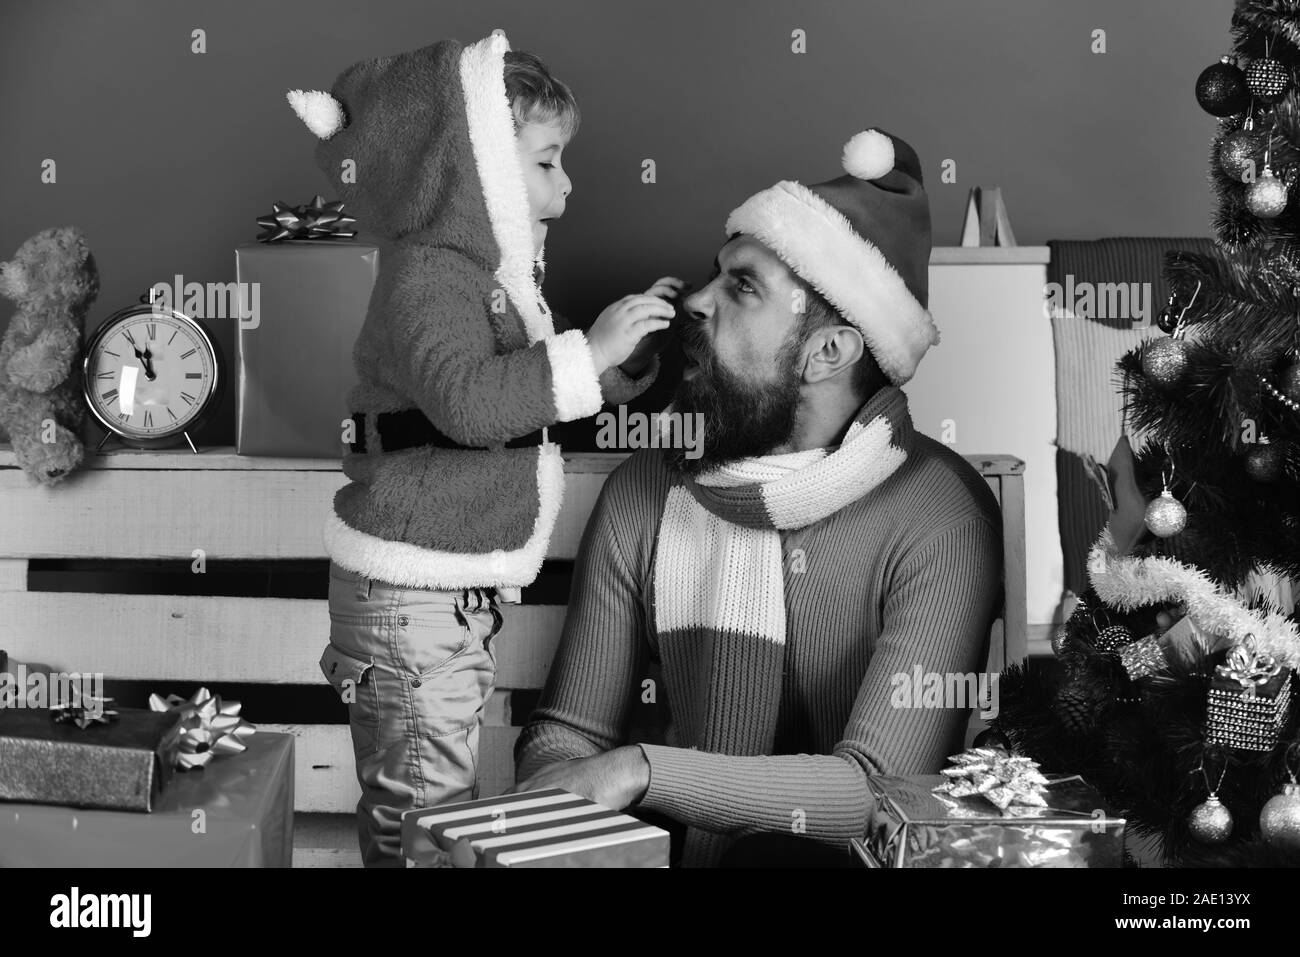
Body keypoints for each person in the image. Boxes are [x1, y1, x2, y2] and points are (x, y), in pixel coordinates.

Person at [513, 129, 1004, 867]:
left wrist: (641, 770)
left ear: (827, 352)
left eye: (742, 287)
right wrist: (575, 808)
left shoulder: (939, 510)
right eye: (718, 274)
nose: (697, 301)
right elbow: (566, 733)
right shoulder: (646, 492)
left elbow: (879, 793)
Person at [289, 32, 683, 866]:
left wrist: (623, 359)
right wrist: (589, 353)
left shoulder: (490, 277)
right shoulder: (431, 275)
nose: (565, 183)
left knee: (437, 811)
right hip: (411, 599)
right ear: (476, 168)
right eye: (545, 162)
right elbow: (471, 403)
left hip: (436, 599)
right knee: (425, 823)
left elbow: (524, 391)